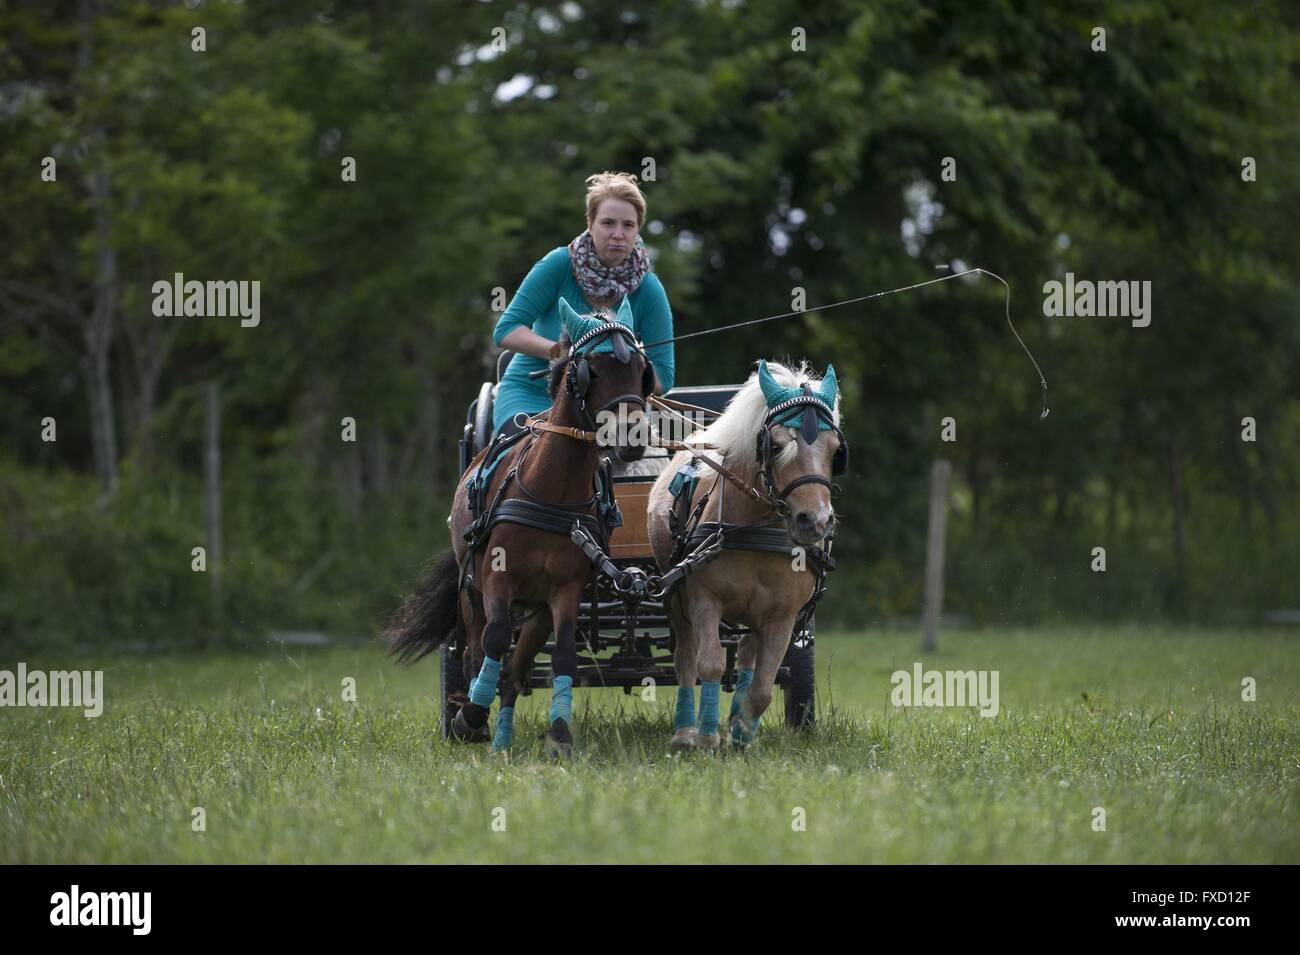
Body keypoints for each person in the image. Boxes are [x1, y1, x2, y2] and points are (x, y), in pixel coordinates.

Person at [491, 171, 676, 441]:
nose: (618, 234)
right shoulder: (557, 264)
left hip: (611, 410)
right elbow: (505, 331)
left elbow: (664, 379)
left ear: (638, 229)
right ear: (590, 222)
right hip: (531, 396)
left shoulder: (649, 289)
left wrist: (625, 365)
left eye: (628, 225)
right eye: (608, 223)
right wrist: (563, 352)